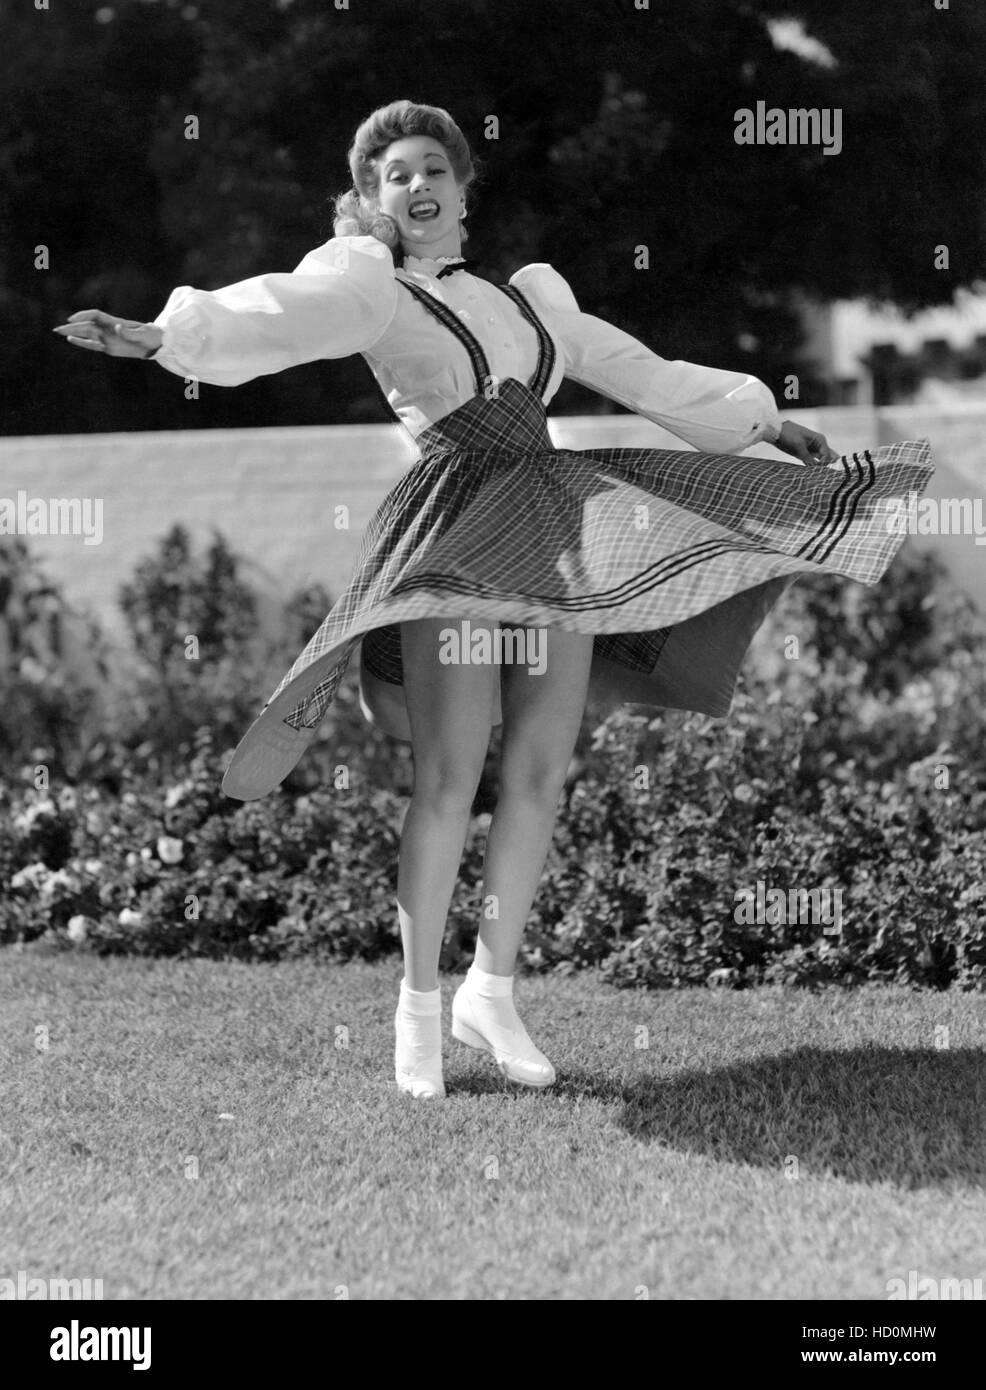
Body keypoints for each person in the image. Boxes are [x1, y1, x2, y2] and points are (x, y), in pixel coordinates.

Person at [54, 99, 934, 1102]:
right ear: (370, 198)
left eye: (434, 166)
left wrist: (767, 426)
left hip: (551, 533)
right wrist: (168, 334)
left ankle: (491, 990)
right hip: (462, 531)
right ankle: (417, 1008)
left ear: (464, 185)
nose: (417, 184)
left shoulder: (532, 303)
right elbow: (282, 312)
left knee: (538, 767)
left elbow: (641, 373)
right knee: (448, 775)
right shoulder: (367, 284)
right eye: (394, 174)